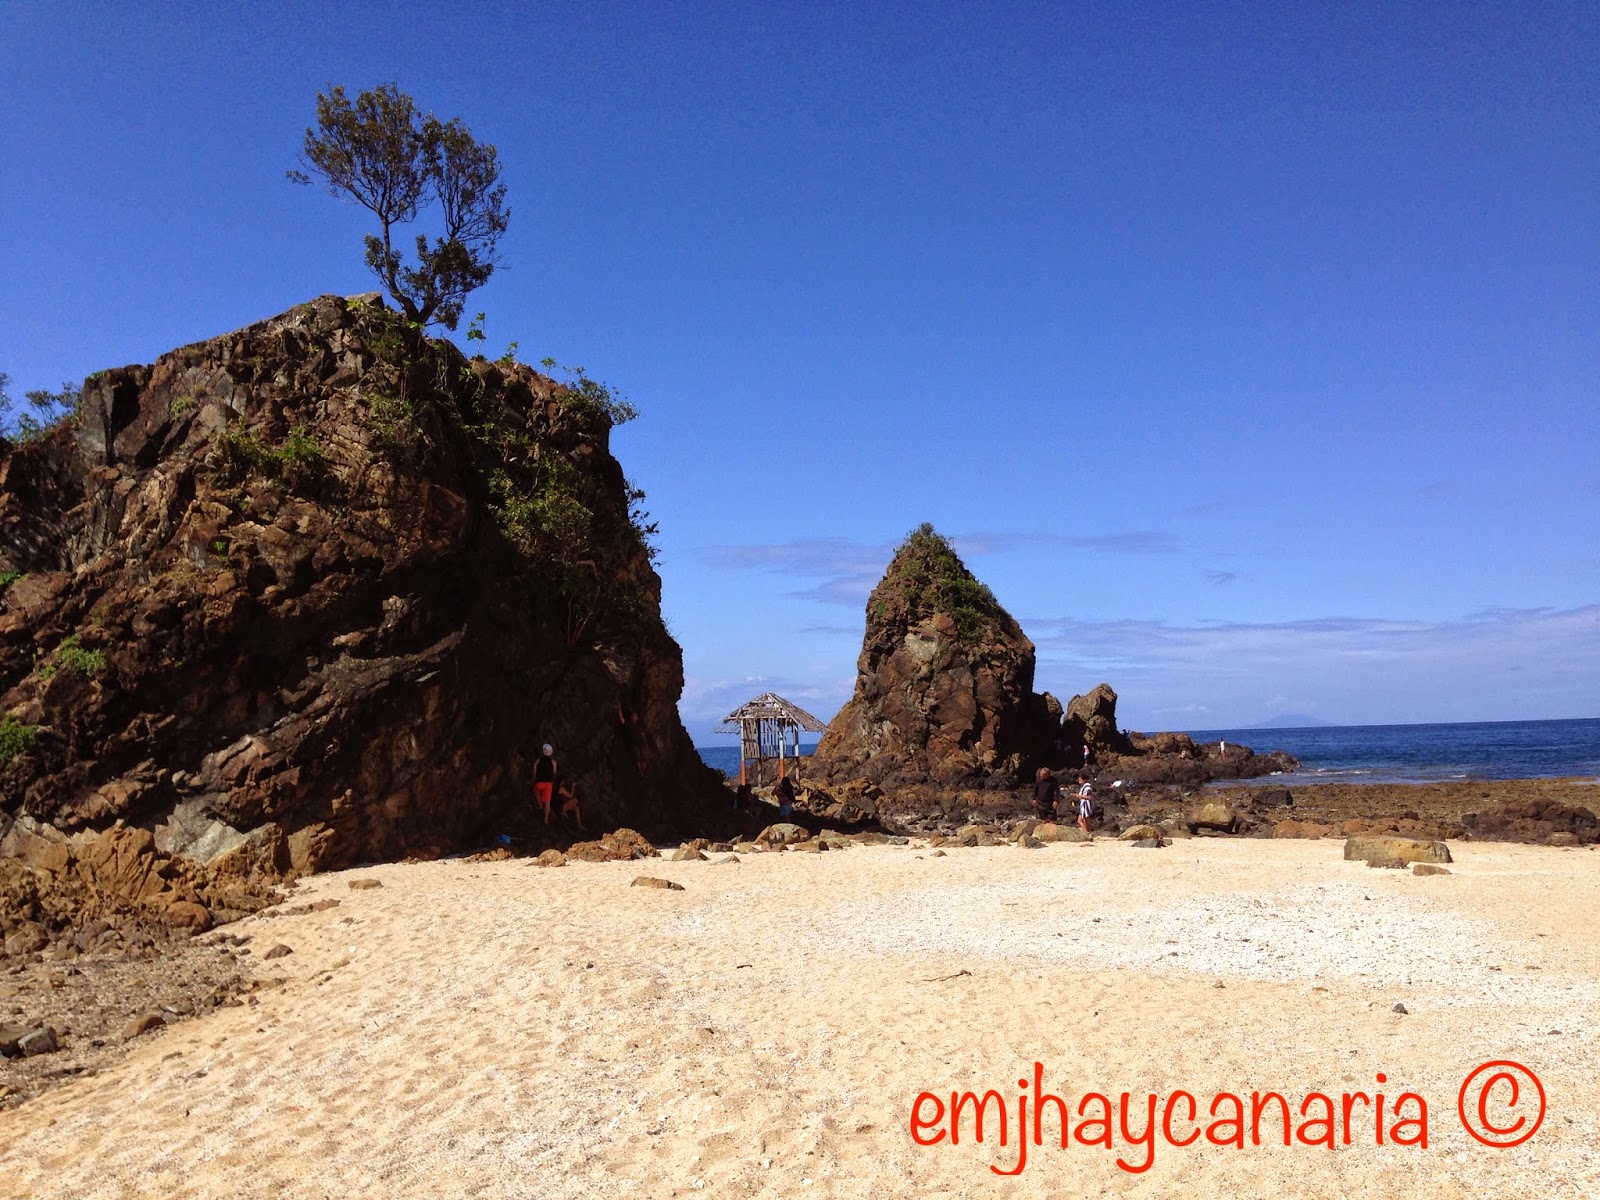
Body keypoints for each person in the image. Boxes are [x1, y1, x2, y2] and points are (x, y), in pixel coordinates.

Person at [533, 743, 558, 825]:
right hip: (548, 784)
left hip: (539, 783)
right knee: (547, 803)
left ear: (543, 752)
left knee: (536, 790)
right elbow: (554, 773)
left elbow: (534, 773)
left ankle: (540, 805)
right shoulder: (554, 762)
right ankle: (546, 819)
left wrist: (534, 781)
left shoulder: (537, 761)